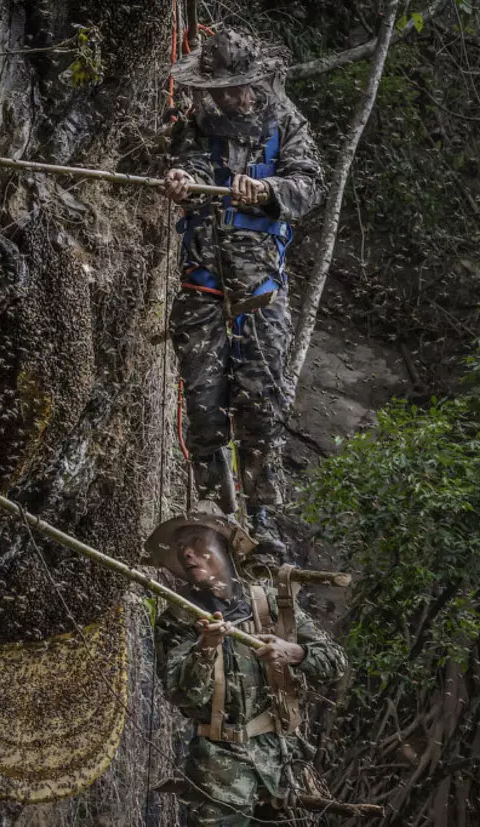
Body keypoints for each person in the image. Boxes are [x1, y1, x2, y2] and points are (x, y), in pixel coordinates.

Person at [160, 28, 326, 558]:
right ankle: (215, 507)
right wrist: (180, 177)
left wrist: (270, 190)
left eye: (244, 87)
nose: (238, 97)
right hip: (200, 283)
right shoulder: (194, 125)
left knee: (262, 401)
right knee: (204, 403)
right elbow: (179, 163)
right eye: (226, 89)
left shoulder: (287, 124)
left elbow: (309, 185)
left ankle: (262, 515)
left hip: (261, 289)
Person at [146, 507, 346, 826]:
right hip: (217, 772)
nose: (187, 552)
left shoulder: (270, 603)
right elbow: (183, 695)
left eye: (197, 541)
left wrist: (293, 652)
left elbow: (334, 663)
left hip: (282, 764)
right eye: (181, 548)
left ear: (226, 549)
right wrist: (206, 648)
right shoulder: (179, 620)